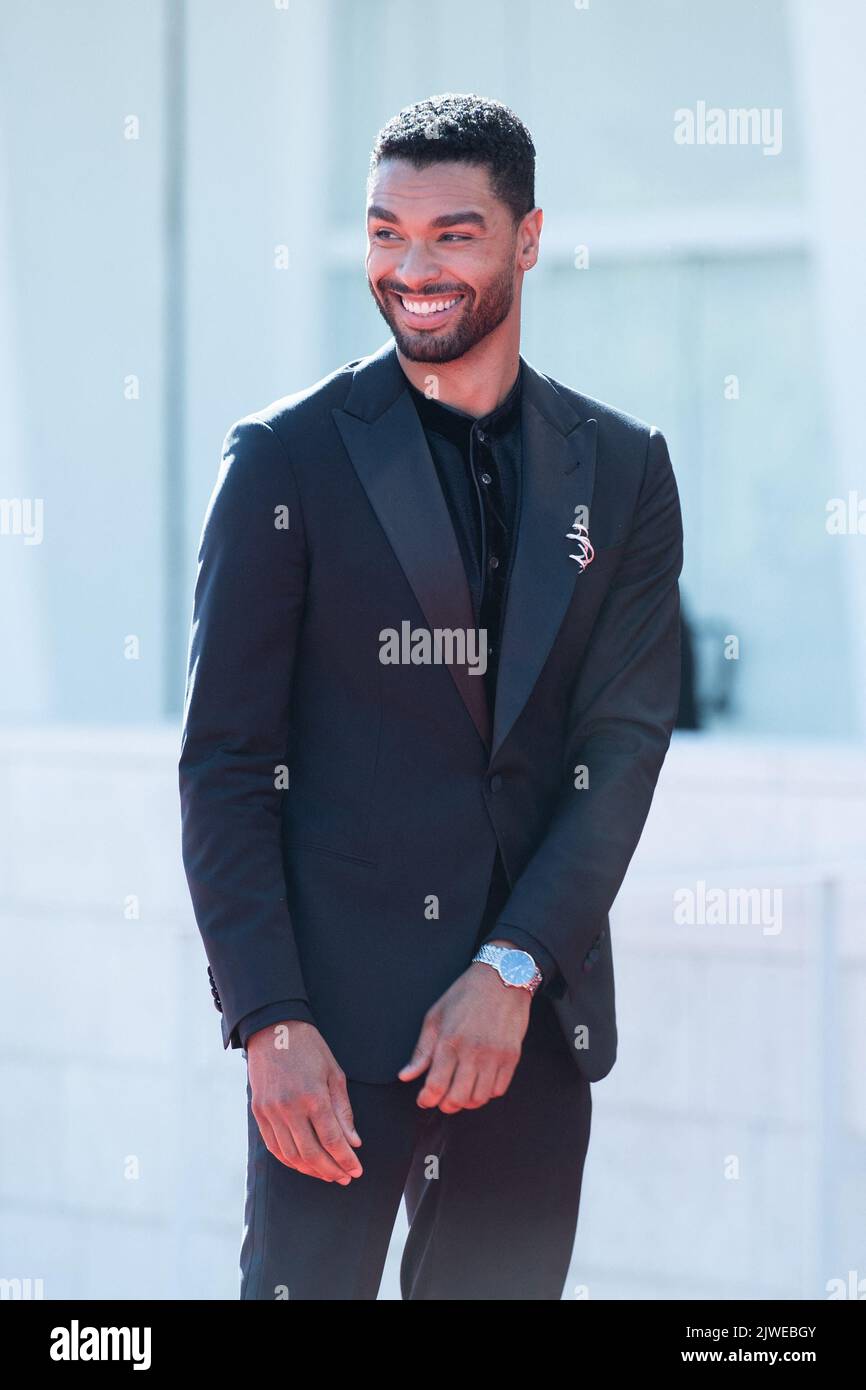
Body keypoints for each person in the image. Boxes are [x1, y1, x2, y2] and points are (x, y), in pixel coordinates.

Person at [178, 92, 684, 1300]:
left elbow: (621, 748)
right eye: (384, 233)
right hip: (329, 1043)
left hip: (527, 1033)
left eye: (452, 234)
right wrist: (266, 1020)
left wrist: (511, 968)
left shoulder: (621, 470)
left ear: (526, 236)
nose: (412, 269)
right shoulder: (284, 460)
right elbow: (226, 763)